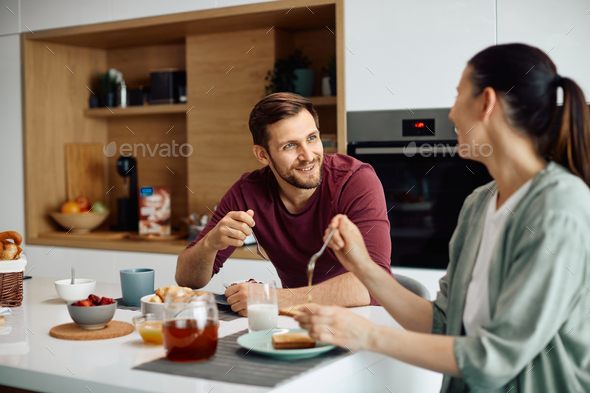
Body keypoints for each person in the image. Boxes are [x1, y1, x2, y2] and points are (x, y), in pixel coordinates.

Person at [294, 43, 590, 392]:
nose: (450, 113)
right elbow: (444, 324)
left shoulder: (559, 207)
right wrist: (364, 268)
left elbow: (495, 358)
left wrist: (366, 334)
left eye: (458, 95)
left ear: (487, 102)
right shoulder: (480, 204)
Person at [176, 92, 393, 316]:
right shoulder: (247, 192)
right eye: (290, 145)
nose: (308, 155)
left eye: (312, 138)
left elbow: (376, 283)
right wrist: (210, 243)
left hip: (365, 321)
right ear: (263, 155)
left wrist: (270, 298)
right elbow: (186, 280)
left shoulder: (355, 180)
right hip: (296, 320)